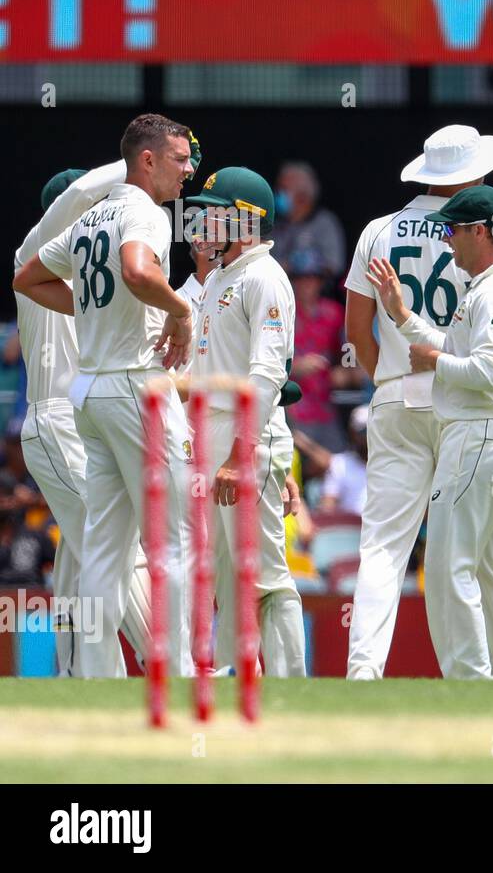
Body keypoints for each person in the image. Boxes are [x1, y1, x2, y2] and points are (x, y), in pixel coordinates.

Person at [15, 113, 197, 678]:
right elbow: (137, 269)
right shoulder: (122, 216)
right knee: (163, 540)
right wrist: (181, 311)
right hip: (92, 405)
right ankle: (176, 667)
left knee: (97, 549)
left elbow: (33, 280)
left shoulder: (81, 239)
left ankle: (88, 677)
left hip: (85, 399)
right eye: (180, 159)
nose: (188, 170)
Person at [367, 185, 493, 680]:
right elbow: (455, 348)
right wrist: (403, 316)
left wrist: (435, 361)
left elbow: (489, 371)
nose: (448, 241)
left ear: (480, 231)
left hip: (481, 435)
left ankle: (471, 682)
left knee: (450, 569)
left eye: (454, 231)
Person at [342, 124, 493, 679]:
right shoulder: (484, 230)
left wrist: (389, 381)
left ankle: (363, 674)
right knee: (474, 552)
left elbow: (357, 330)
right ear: (471, 176)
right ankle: (481, 677)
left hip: (395, 398)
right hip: (464, 400)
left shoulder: (377, 231)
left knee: (384, 548)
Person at [186, 165, 307, 676]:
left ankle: (292, 688)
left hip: (243, 440)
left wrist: (242, 454)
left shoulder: (264, 278)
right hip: (209, 436)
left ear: (246, 219)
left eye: (215, 213)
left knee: (265, 575)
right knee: (224, 574)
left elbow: (266, 375)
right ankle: (246, 681)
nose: (203, 222)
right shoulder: (219, 277)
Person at [287, 249, 347, 451]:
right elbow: (261, 360)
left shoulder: (334, 314)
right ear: (292, 281)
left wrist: (345, 372)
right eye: (300, 278)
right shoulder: (281, 312)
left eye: (313, 277)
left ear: (321, 281)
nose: (307, 284)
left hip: (326, 407)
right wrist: (295, 367)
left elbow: (348, 355)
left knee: (338, 464)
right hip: (292, 409)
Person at [271, 161, 348, 277]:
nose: (278, 193)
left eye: (284, 189)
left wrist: (307, 267)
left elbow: (334, 265)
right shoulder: (275, 226)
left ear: (302, 195)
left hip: (316, 294)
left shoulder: (325, 223)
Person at [319, 406, 369, 516]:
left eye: (372, 431)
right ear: (352, 433)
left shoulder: (393, 465)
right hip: (351, 530)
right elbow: (327, 505)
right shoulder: (339, 463)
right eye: (363, 431)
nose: (367, 437)